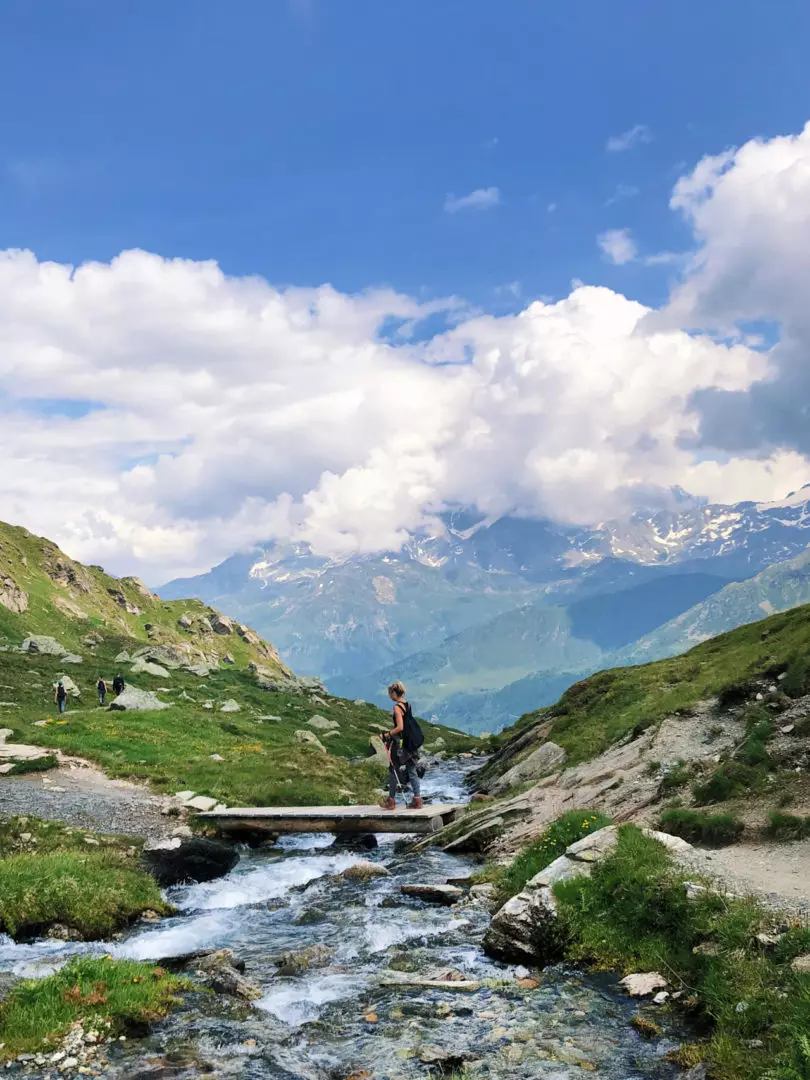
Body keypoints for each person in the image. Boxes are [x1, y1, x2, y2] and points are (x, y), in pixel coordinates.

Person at [380, 681, 424, 811]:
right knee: (412, 770)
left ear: (394, 693)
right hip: (411, 742)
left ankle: (391, 801)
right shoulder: (407, 705)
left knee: (393, 769)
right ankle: (417, 800)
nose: (389, 696)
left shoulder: (397, 708)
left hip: (401, 744)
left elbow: (400, 727)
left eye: (390, 693)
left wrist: (386, 735)